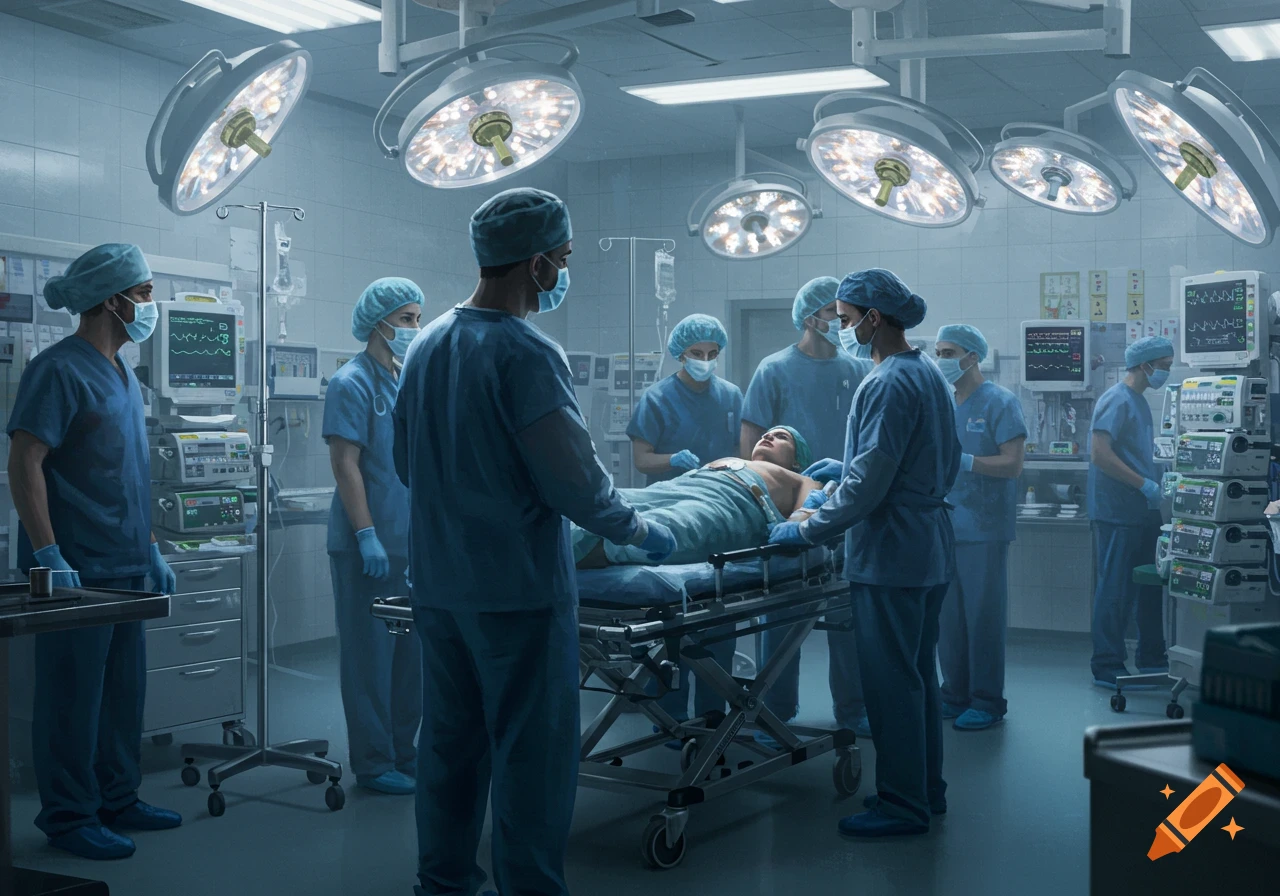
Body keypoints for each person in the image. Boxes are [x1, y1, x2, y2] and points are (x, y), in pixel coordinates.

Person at [393, 187, 676, 896]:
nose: (564, 271)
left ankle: (445, 882)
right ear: (539, 263)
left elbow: (405, 461)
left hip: (440, 584)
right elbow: (574, 479)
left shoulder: (426, 346)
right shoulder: (525, 352)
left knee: (450, 746)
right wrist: (635, 528)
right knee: (530, 755)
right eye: (566, 258)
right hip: (515, 589)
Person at [5, 244, 181, 860]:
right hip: (78, 569)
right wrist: (48, 553)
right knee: (74, 699)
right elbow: (24, 461)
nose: (151, 305)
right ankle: (70, 816)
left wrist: (152, 547)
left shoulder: (125, 374)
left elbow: (126, 473)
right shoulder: (57, 369)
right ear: (115, 298)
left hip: (129, 563)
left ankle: (118, 797)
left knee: (122, 696)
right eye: (147, 291)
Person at [770, 268, 960, 838]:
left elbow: (870, 484)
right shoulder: (925, 372)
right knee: (918, 676)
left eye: (849, 320)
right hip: (926, 544)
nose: (845, 329)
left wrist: (809, 530)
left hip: (891, 550)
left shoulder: (884, 382)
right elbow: (908, 462)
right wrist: (846, 466)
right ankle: (928, 789)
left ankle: (902, 805)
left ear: (875, 319)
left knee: (891, 682)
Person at [741, 277, 875, 740]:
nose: (838, 321)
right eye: (831, 312)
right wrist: (768, 503)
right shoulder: (774, 369)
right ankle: (772, 708)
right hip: (787, 507)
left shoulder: (857, 369)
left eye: (843, 313)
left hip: (845, 499)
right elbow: (750, 450)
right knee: (778, 614)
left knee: (847, 612)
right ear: (807, 316)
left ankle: (854, 709)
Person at [324, 277, 424, 796]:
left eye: (416, 318)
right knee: (370, 659)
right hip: (368, 546)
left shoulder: (404, 379)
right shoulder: (352, 382)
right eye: (406, 319)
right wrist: (367, 535)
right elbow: (346, 465)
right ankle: (373, 760)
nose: (414, 328)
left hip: (410, 541)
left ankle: (407, 753)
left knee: (411, 662)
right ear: (379, 322)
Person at [934, 325, 1027, 731]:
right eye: (938, 351)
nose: (941, 359)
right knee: (949, 621)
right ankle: (954, 694)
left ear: (972, 356)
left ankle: (987, 701)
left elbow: (1013, 464)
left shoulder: (1000, 403)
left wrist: (969, 462)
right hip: (944, 525)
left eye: (948, 351)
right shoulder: (942, 402)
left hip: (985, 528)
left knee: (982, 617)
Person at [574, 425, 818, 567]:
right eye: (767, 433)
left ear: (797, 460)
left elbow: (805, 513)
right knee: (608, 504)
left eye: (781, 437)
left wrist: (794, 528)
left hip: (734, 504)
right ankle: (553, 540)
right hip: (684, 485)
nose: (767, 436)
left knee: (665, 529)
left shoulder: (802, 478)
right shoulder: (739, 460)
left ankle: (565, 559)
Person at [1088, 335, 1172, 687]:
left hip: (1142, 511)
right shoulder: (1116, 400)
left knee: (1150, 587)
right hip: (1117, 511)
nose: (1164, 374)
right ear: (1144, 365)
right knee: (1115, 590)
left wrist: (1161, 479)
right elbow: (1101, 454)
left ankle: (1152, 656)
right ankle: (1107, 664)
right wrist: (1143, 484)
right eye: (1163, 368)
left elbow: (1137, 453)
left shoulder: (1138, 401)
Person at [629, 313, 742, 484]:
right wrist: (672, 460)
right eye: (697, 353)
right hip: (669, 496)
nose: (705, 360)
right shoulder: (656, 398)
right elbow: (642, 460)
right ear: (681, 354)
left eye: (712, 354)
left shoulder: (731, 395)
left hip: (719, 493)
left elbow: (741, 450)